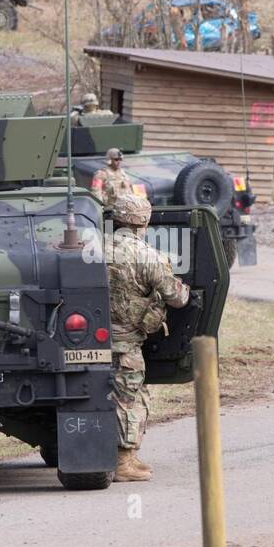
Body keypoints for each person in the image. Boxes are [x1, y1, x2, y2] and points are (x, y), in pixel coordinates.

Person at [105, 192, 190, 482]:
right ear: (143, 223)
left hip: (89, 339)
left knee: (105, 395)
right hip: (126, 342)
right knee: (129, 397)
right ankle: (121, 462)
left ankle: (127, 456)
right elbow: (177, 298)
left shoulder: (91, 249)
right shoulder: (148, 256)